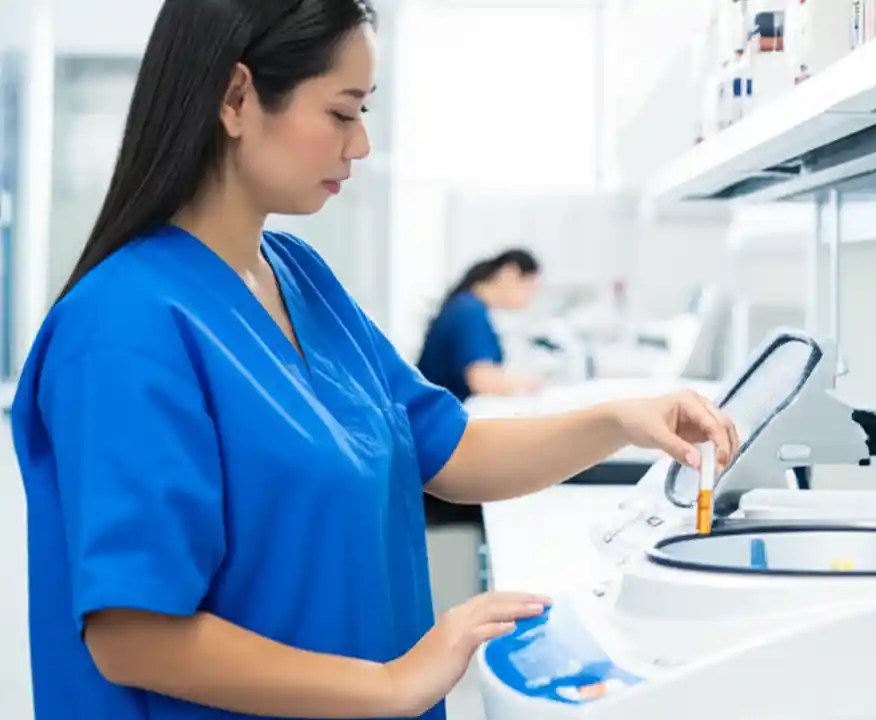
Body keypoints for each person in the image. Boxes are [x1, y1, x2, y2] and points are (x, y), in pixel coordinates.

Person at [7, 3, 739, 720]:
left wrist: (621, 421)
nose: (358, 145)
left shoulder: (298, 277)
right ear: (236, 98)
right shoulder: (123, 327)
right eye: (341, 112)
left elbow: (448, 450)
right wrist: (395, 683)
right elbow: (134, 637)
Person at [416, 249, 544, 404]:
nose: (530, 299)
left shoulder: (467, 305)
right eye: (530, 289)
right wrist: (530, 383)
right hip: (440, 420)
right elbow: (482, 380)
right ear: (510, 274)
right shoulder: (469, 311)